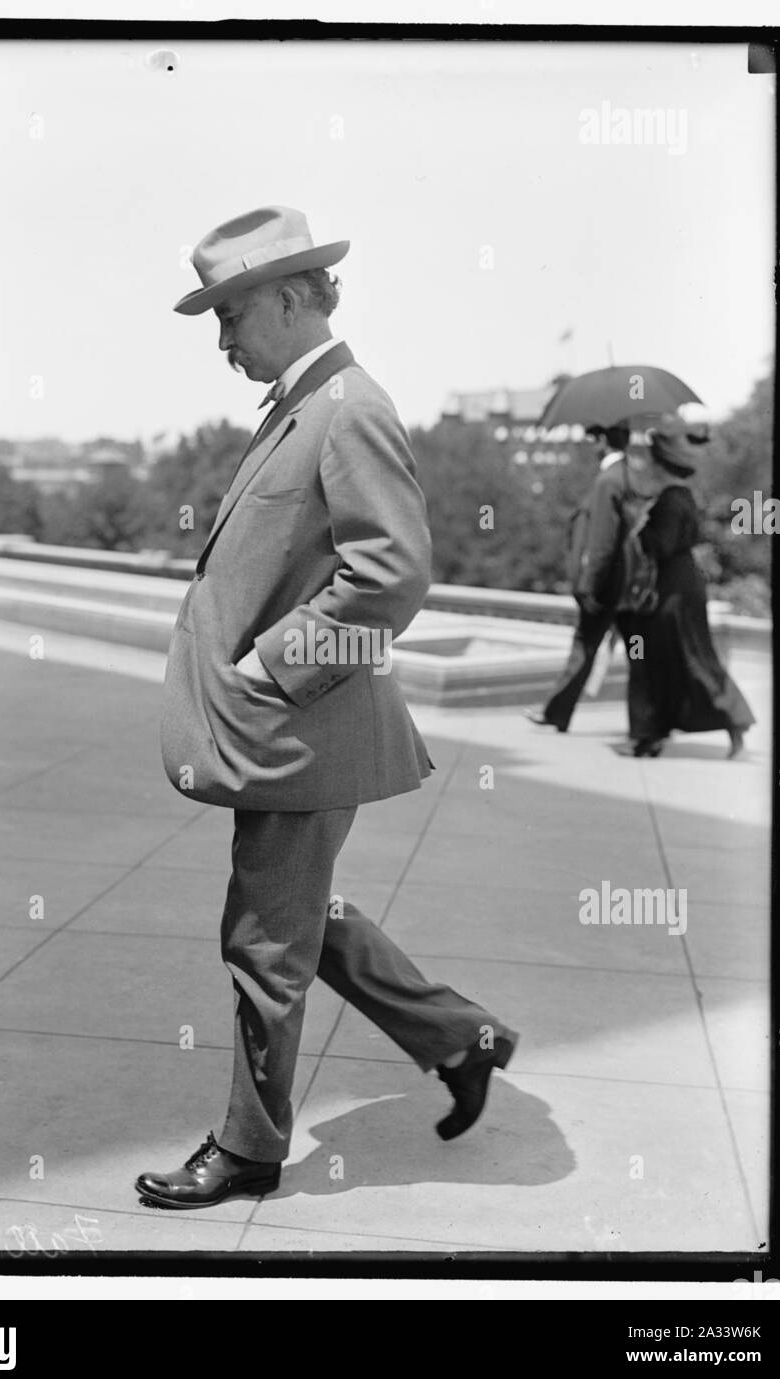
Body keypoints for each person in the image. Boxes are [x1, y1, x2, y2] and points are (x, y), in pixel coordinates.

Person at [136, 206, 519, 1210]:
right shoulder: (305, 404)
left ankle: (249, 1148)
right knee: (304, 918)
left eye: (231, 314)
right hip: (287, 733)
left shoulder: (347, 405)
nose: (222, 341)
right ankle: (459, 1037)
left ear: (295, 297)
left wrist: (272, 668)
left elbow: (389, 573)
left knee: (263, 942)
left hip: (298, 729)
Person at [614, 418, 755, 758]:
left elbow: (658, 545)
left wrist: (638, 526)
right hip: (684, 585)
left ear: (661, 466)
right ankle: (719, 723)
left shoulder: (668, 502)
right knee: (688, 657)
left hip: (670, 591)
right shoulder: (683, 497)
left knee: (665, 660)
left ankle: (654, 733)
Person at [525, 422, 656, 731]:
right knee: (632, 651)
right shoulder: (630, 476)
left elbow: (602, 542)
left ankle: (651, 722)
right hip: (625, 581)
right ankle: (558, 712)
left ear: (601, 441)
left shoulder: (608, 481)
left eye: (592, 438)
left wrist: (588, 585)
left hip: (607, 584)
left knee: (586, 644)